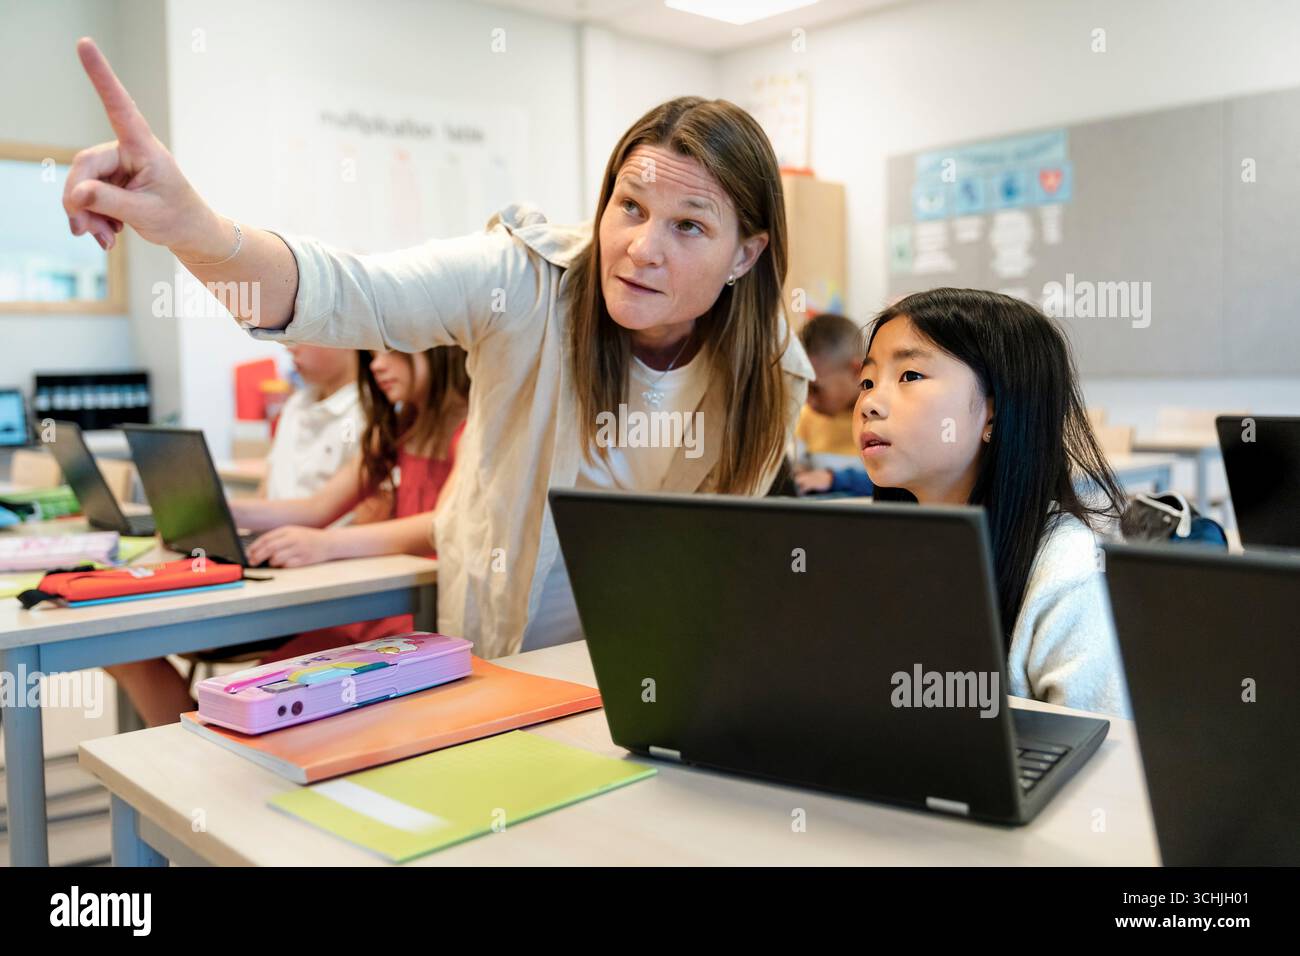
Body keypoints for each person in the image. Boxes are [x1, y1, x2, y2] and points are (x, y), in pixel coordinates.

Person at [65, 38, 813, 659]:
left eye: (689, 225)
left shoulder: (771, 369)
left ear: (745, 255)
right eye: (630, 206)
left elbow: (723, 560)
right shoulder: (524, 281)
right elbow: (345, 292)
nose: (641, 248)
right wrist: (192, 228)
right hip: (513, 658)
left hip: (658, 665)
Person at [104, 345, 468, 726]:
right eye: (373, 352)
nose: (376, 364)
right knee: (255, 691)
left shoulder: (468, 428)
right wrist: (224, 511)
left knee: (271, 693)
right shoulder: (401, 425)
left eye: (390, 351)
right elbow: (317, 507)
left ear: (437, 349)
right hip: (379, 597)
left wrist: (326, 544)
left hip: (416, 604)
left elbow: (438, 526)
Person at [854, 287, 1130, 716]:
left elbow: (1103, 756)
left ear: (994, 414)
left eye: (909, 376)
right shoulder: (876, 546)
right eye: (867, 381)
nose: (869, 402)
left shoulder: (1068, 570)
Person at [262, 343, 364, 500]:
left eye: (305, 337)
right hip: (273, 521)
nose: (291, 349)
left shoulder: (359, 416)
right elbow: (268, 485)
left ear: (347, 336)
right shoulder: (296, 404)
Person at [791, 312, 874, 497]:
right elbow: (798, 466)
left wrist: (833, 479)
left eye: (815, 389)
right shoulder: (807, 418)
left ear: (856, 371)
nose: (807, 400)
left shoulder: (881, 418)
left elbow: (897, 484)